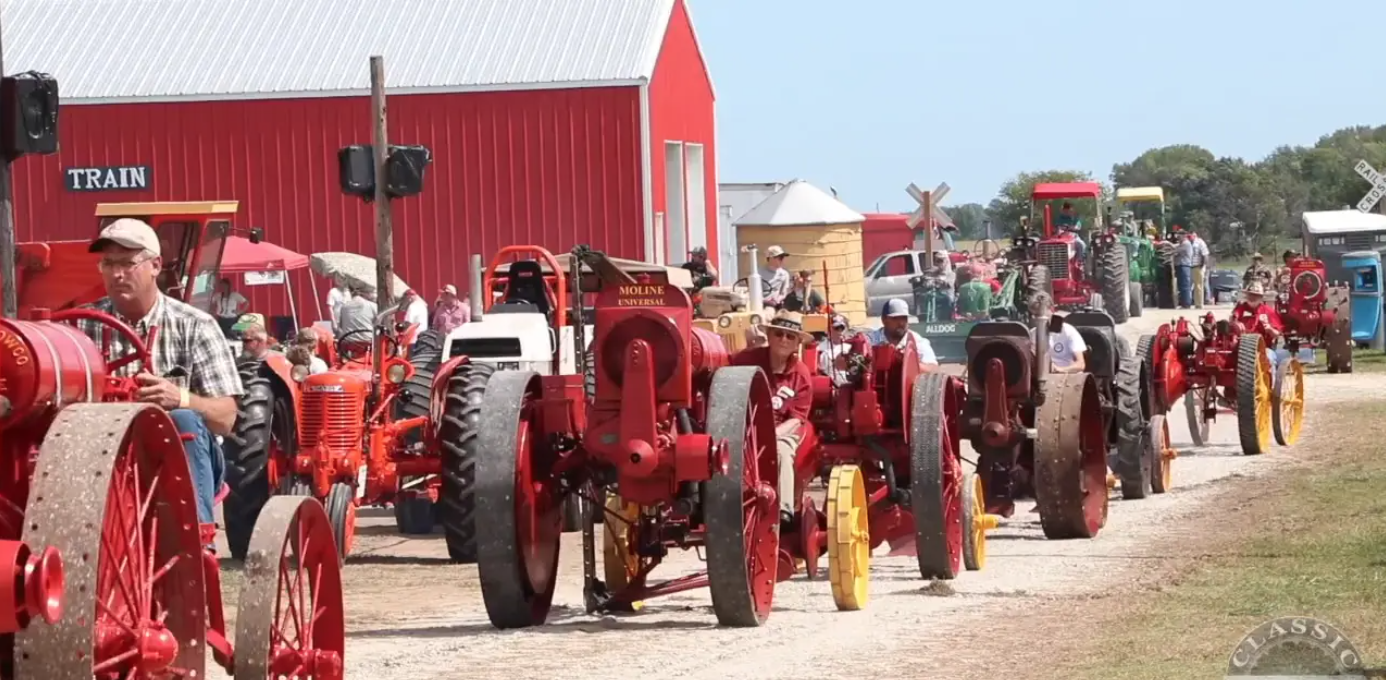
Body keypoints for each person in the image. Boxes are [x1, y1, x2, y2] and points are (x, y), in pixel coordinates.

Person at [78, 217, 244, 530]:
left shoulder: (196, 325)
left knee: (183, 419)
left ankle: (196, 542)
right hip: (99, 455)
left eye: (128, 263)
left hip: (177, 458)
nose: (117, 273)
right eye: (108, 263)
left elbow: (226, 418)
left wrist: (179, 397)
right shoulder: (81, 325)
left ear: (155, 266)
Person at [730, 310, 815, 531]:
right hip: (743, 426)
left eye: (790, 336)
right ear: (769, 336)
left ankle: (784, 509)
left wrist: (771, 434)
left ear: (797, 342)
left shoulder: (801, 374)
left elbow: (797, 418)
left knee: (782, 451)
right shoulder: (744, 360)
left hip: (780, 430)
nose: (783, 340)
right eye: (778, 334)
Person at [866, 299, 939, 371]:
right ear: (883, 320)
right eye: (895, 318)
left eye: (904, 318)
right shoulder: (869, 340)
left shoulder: (916, 341)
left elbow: (933, 368)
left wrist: (907, 363)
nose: (901, 323)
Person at [1026, 293, 1088, 374]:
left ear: (1051, 309)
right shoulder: (1032, 334)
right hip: (1043, 375)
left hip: (1067, 376)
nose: (1036, 318)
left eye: (1039, 314)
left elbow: (1080, 365)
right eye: (1034, 314)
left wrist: (1059, 369)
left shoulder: (1068, 331)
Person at [816, 314, 852, 386]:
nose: (840, 331)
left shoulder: (850, 347)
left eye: (842, 328)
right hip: (829, 387)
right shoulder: (819, 349)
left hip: (848, 387)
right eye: (836, 328)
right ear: (828, 330)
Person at [1188, 230, 1210, 310]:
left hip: (1198, 266)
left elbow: (1205, 254)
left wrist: (1202, 265)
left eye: (1191, 235)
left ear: (1195, 235)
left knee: (1198, 286)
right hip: (1189, 266)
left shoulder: (1200, 242)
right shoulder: (1189, 243)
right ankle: (1189, 303)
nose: (1190, 237)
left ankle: (1199, 304)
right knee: (1189, 286)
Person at [1174, 232, 1194, 308]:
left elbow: (1175, 250)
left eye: (1179, 236)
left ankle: (1186, 304)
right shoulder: (1182, 244)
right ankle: (1184, 303)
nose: (1178, 238)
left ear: (1184, 236)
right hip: (1181, 266)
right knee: (1182, 286)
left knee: (1184, 286)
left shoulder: (1186, 244)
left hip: (1184, 266)